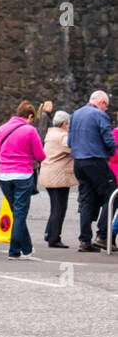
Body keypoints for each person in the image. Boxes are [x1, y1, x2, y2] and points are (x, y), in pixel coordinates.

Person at [0, 100, 46, 259]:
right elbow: (40, 156)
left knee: (17, 212)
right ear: (29, 116)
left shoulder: (2, 129)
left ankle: (27, 248)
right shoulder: (30, 130)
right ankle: (14, 251)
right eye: (32, 118)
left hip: (3, 175)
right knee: (20, 214)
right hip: (22, 174)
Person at [67, 90, 115, 252]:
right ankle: (102, 235)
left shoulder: (75, 114)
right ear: (101, 102)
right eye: (106, 106)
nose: (105, 109)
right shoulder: (99, 115)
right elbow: (108, 139)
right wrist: (111, 153)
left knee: (86, 199)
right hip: (95, 159)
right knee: (113, 194)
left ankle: (85, 240)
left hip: (78, 161)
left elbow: (69, 141)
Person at [40, 109, 76, 249]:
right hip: (58, 177)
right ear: (65, 124)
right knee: (59, 207)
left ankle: (49, 233)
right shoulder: (63, 137)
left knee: (55, 206)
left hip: (49, 174)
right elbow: (75, 149)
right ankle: (54, 238)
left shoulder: (51, 134)